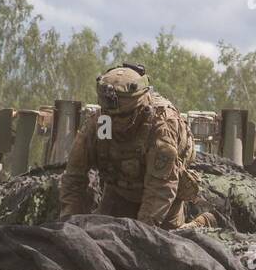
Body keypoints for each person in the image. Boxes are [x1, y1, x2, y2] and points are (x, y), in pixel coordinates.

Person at [59, 63, 198, 229]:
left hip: (164, 194)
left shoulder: (161, 129)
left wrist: (141, 232)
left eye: (123, 116)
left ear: (139, 108)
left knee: (168, 244)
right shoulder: (102, 122)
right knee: (100, 233)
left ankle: (202, 222)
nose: (114, 121)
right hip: (120, 191)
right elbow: (74, 177)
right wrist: (69, 223)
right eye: (110, 115)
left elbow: (160, 189)